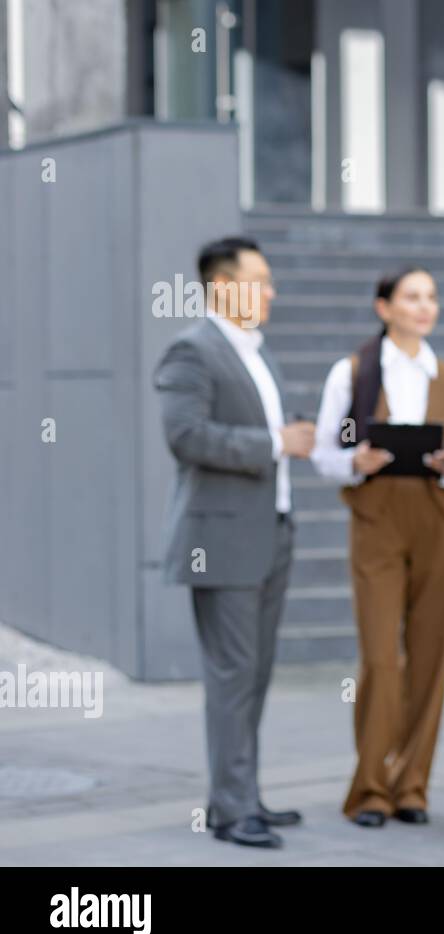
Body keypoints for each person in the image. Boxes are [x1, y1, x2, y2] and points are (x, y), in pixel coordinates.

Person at [311, 266, 444, 827]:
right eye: (411, 297)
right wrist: (353, 461)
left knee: (432, 656)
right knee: (382, 659)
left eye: (431, 297)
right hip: (377, 516)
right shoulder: (354, 371)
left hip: (439, 516)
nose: (423, 306)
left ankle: (412, 784)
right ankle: (369, 788)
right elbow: (323, 449)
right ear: (383, 306)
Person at [155, 236, 315, 849]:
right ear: (224, 286)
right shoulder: (192, 351)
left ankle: (243, 793)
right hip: (220, 542)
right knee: (232, 675)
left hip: (271, 532)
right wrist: (275, 444)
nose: (272, 292)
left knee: (255, 674)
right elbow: (187, 436)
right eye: (262, 280)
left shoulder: (257, 352)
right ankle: (230, 809)